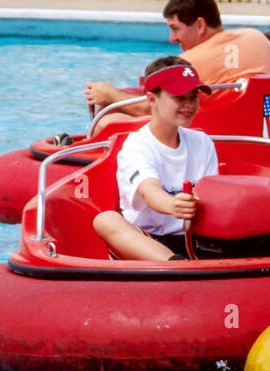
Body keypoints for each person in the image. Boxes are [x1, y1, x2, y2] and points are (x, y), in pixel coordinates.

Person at [92, 58, 217, 262]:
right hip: (149, 241)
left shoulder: (202, 142)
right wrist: (173, 205)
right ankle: (177, 266)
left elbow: (212, 195)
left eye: (193, 97)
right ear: (151, 100)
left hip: (196, 239)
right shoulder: (137, 145)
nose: (189, 104)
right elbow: (149, 190)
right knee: (106, 220)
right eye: (179, 97)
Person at [85, 0, 270, 116]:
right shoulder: (259, 38)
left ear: (200, 25)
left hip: (223, 136)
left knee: (109, 119)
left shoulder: (186, 65)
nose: (172, 38)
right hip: (266, 127)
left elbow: (149, 108)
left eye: (175, 28)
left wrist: (109, 94)